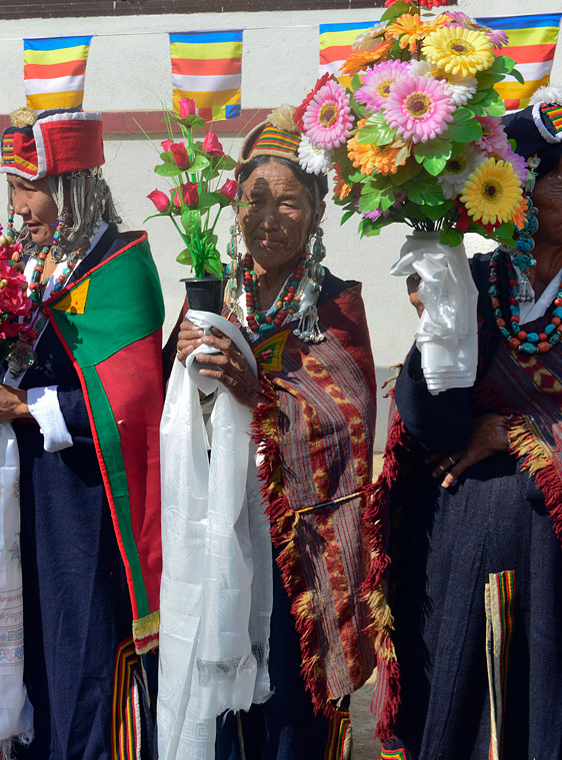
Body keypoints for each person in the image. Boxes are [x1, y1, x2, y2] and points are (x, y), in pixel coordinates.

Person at [368, 87, 562, 758]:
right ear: (521, 193)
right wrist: (436, 323)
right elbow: (434, 427)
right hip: (469, 550)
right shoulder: (473, 285)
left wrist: (519, 432)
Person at [0, 107, 165, 759]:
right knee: (33, 660)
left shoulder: (118, 266)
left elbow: (128, 406)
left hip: (89, 512)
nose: (19, 206)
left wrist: (20, 407)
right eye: (12, 188)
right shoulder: (27, 267)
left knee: (83, 662)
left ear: (73, 187)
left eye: (31, 188)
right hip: (22, 501)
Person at [168, 109, 377, 760]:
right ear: (233, 208)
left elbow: (348, 423)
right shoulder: (211, 304)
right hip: (215, 541)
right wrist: (179, 362)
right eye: (255, 198)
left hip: (297, 554)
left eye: (289, 201)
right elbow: (172, 420)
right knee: (222, 719)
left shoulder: (338, 306)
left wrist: (254, 395)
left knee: (288, 716)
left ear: (317, 212)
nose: (269, 216)